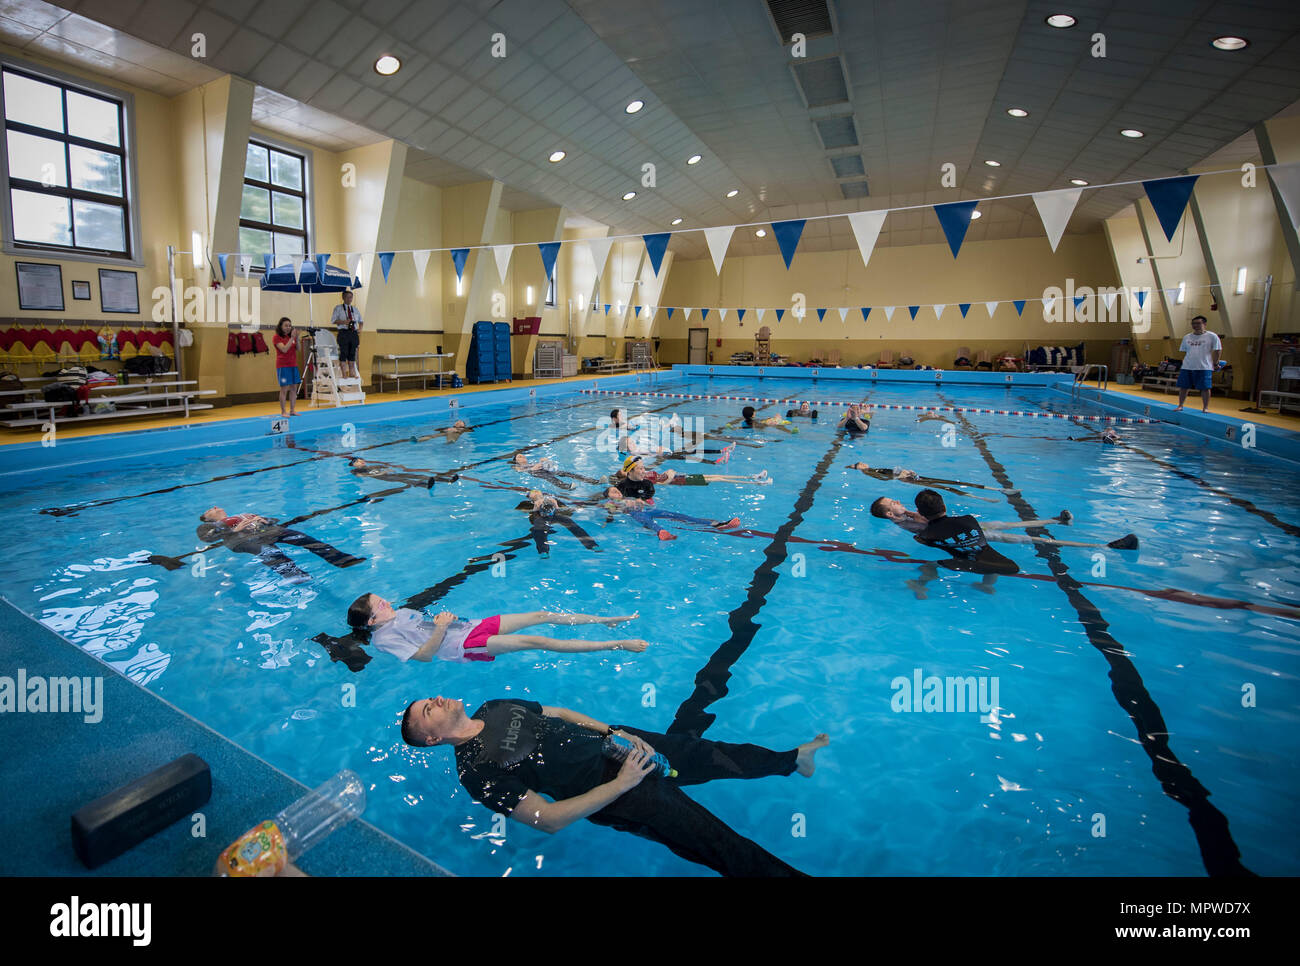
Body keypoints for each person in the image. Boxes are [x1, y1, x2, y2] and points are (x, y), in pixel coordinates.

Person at [399, 695, 828, 877]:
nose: (435, 700)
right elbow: (546, 819)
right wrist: (623, 784)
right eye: (427, 711)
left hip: (621, 745)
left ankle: (793, 760)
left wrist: (616, 732)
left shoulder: (491, 706)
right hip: (621, 793)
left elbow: (558, 711)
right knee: (719, 843)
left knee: (710, 755)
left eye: (429, 699)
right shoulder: (476, 772)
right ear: (433, 738)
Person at [345, 597, 645, 662]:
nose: (387, 601)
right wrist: (442, 627)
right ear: (372, 622)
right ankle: (618, 644)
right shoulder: (384, 638)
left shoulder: (404, 613)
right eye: (380, 605)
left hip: (469, 626)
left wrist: (446, 622)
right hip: (463, 645)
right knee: (537, 640)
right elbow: (424, 656)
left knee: (540, 614)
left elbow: (426, 627)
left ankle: (607, 621)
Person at [870, 495, 1137, 551]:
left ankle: (1056, 520)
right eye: (891, 504)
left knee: (1007, 523)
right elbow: (932, 529)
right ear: (888, 514)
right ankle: (1105, 546)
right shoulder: (902, 521)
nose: (895, 501)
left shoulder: (906, 516)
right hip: (966, 534)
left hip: (965, 526)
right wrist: (911, 516)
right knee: (1032, 540)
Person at [197, 506, 365, 581]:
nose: (215, 507)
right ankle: (297, 577)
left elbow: (274, 520)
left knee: (304, 539)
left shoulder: (243, 514)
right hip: (243, 540)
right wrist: (232, 531)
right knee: (272, 554)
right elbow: (207, 538)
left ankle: (342, 560)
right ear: (207, 519)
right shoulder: (210, 526)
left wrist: (264, 519)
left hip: (268, 532)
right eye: (209, 510)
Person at [603, 486, 739, 541]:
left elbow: (649, 505)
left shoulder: (630, 499)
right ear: (608, 496)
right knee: (647, 520)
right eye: (613, 491)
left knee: (678, 516)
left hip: (647, 511)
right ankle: (661, 532)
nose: (618, 492)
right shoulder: (610, 503)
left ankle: (717, 524)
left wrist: (640, 502)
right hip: (635, 515)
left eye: (617, 490)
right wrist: (621, 506)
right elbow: (611, 512)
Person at [849, 462, 1018, 501]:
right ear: (858, 468)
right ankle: (982, 497)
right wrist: (902, 476)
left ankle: (997, 490)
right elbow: (887, 479)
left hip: (910, 477)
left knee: (953, 482)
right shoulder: (869, 473)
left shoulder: (873, 469)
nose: (863, 463)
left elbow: (890, 473)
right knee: (945, 486)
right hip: (910, 481)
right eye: (860, 464)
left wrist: (906, 471)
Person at [517, 490, 601, 556]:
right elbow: (555, 509)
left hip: (548, 517)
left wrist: (551, 504)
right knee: (539, 532)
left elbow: (540, 511)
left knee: (540, 532)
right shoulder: (545, 500)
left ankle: (543, 551)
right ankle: (543, 551)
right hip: (548, 517)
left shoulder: (543, 501)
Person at [1176, 315, 1222, 413]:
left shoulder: (1212, 336)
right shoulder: (1187, 337)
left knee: (1205, 388)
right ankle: (1180, 405)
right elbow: (1184, 352)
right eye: (1193, 323)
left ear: (1204, 324)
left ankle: (1205, 407)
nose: (1195, 325)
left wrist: (1215, 363)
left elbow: (1218, 350)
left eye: (1198, 323)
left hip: (1204, 366)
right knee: (1183, 387)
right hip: (1187, 366)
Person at [348, 457, 458, 490]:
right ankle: (426, 486)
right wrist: (383, 472)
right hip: (385, 477)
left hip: (389, 474)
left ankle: (449, 481)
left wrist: (387, 468)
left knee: (417, 476)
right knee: (407, 480)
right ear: (354, 465)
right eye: (358, 461)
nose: (361, 461)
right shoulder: (354, 471)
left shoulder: (370, 466)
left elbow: (383, 466)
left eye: (361, 459)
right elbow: (365, 476)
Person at [510, 452, 600, 490]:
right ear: (516, 461)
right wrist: (532, 469)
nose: (523, 457)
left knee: (566, 473)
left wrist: (544, 461)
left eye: (523, 455)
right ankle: (567, 487)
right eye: (519, 457)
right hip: (535, 473)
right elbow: (520, 472)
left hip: (543, 470)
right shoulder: (516, 466)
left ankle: (592, 481)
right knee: (551, 478)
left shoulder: (532, 462)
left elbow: (547, 465)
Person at [330, 289, 362, 380]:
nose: (349, 299)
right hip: (343, 332)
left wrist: (360, 329)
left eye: (351, 297)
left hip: (353, 332)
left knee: (352, 353)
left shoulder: (355, 309)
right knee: (344, 352)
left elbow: (361, 321)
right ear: (343, 298)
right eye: (347, 297)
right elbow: (333, 320)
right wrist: (344, 322)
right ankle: (344, 373)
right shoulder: (338, 308)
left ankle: (352, 372)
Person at [271, 318, 299, 417]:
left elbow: (298, 349)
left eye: (289, 326)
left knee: (293, 388)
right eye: (286, 326)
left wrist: (297, 338)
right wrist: (292, 338)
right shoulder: (276, 337)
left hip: (293, 365)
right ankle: (283, 411)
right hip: (283, 366)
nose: (288, 328)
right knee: (284, 389)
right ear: (281, 326)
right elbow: (284, 349)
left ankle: (292, 410)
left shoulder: (292, 337)